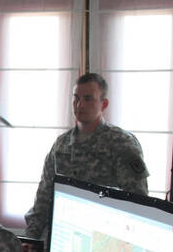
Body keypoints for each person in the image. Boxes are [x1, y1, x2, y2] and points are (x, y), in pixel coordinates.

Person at [24, 73, 149, 240]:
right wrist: (30, 242)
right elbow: (43, 201)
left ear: (103, 104)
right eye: (76, 98)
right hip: (61, 239)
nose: (80, 105)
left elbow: (138, 204)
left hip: (102, 241)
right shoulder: (61, 145)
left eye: (88, 99)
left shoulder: (122, 144)